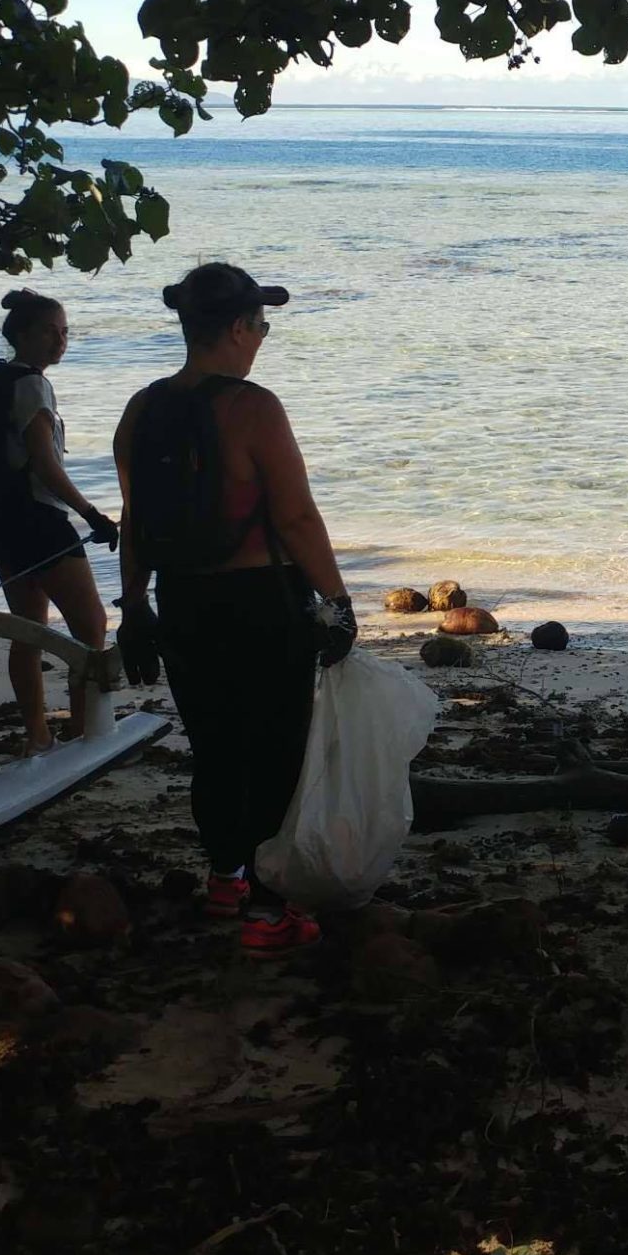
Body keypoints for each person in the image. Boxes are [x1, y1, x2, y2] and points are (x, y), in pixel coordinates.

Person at [112, 263, 357, 959]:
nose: (263, 338)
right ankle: (269, 912)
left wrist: (133, 605)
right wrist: (338, 602)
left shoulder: (142, 408)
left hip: (181, 602)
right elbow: (297, 518)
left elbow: (135, 520)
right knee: (275, 755)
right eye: (261, 325)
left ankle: (225, 881)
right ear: (239, 328)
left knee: (215, 750)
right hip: (262, 603)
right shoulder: (254, 408)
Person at [0, 289, 118, 756]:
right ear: (22, 335)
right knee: (90, 628)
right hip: (39, 523)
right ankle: (85, 733)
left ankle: (37, 735)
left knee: (28, 629)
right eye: (49, 331)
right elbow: (46, 465)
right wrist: (92, 514)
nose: (59, 341)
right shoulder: (31, 386)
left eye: (65, 332)